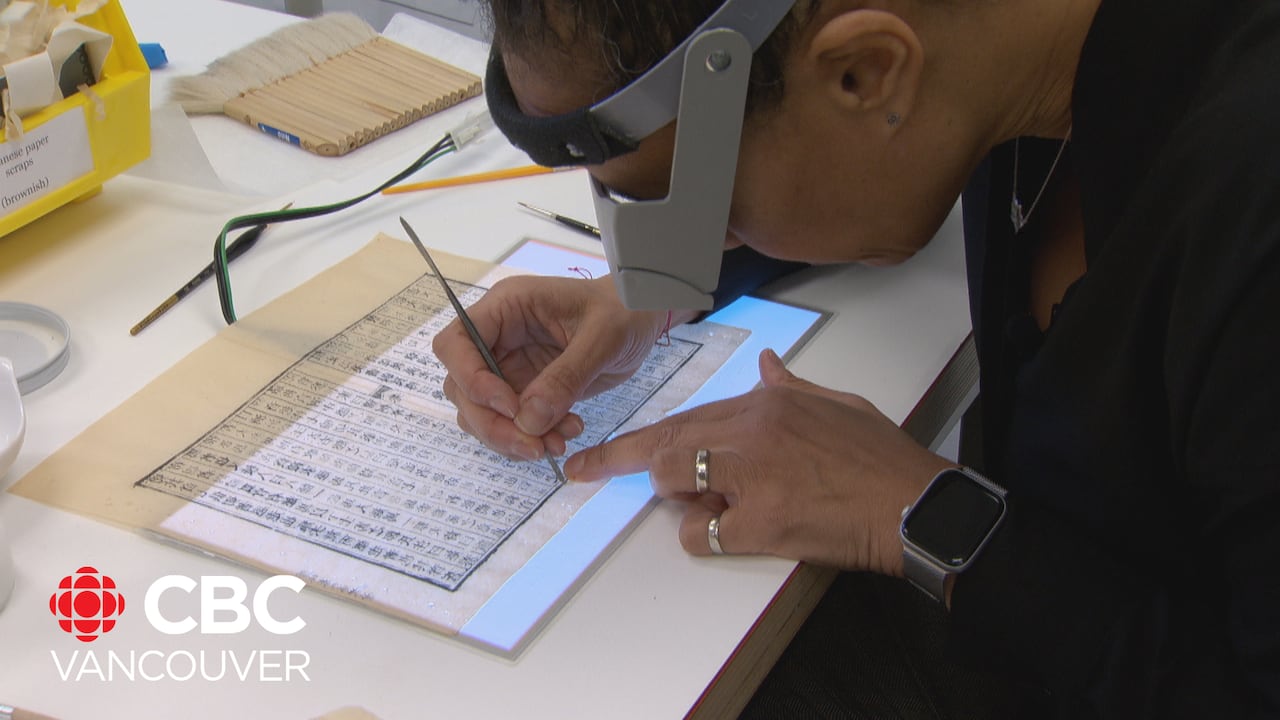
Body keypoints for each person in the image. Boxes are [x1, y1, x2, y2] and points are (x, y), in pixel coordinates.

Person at [432, 0, 1280, 716]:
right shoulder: (1012, 57)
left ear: (867, 72)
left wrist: (920, 510)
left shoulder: (1248, 220)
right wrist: (660, 285)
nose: (702, 238)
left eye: (707, 205)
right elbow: (878, 162)